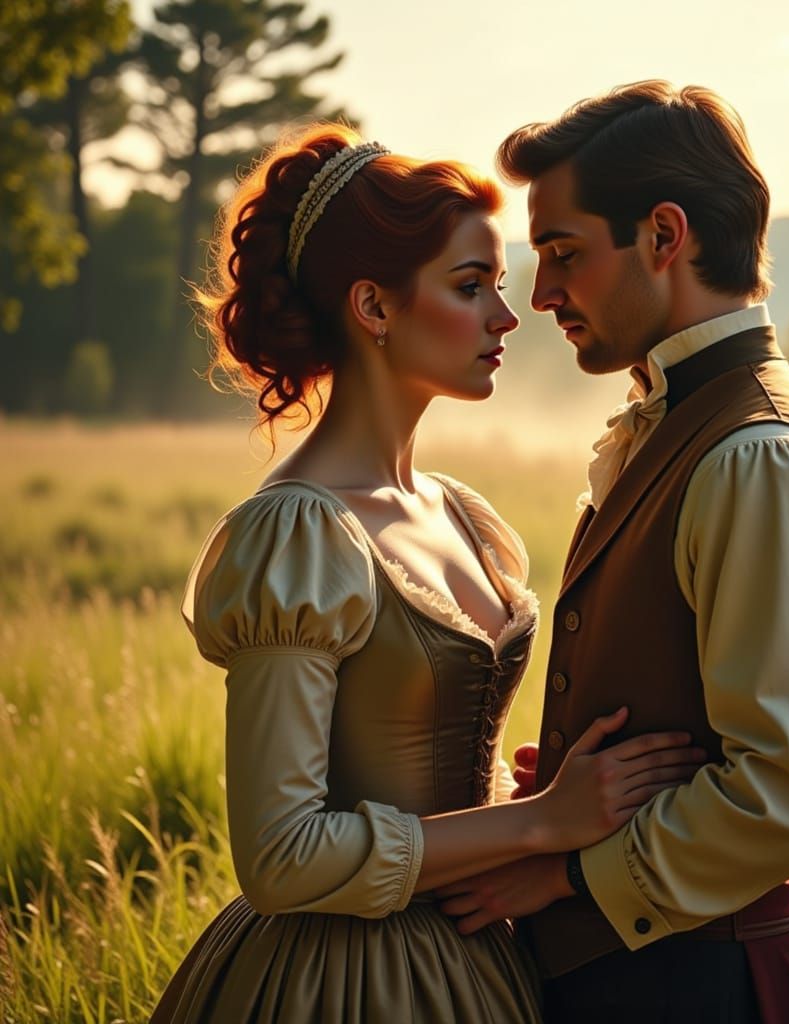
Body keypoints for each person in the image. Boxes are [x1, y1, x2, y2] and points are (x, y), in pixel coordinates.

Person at [149, 124, 707, 1023]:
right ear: (373, 307)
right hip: (340, 979)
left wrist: (516, 806)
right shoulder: (299, 532)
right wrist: (540, 824)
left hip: (481, 949)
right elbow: (280, 857)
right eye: (470, 286)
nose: (507, 315)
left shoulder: (461, 517)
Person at [436, 82, 789, 1022]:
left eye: (562, 253)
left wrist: (570, 872)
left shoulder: (761, 455)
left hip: (711, 989)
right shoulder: (680, 422)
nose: (543, 294)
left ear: (663, 236)